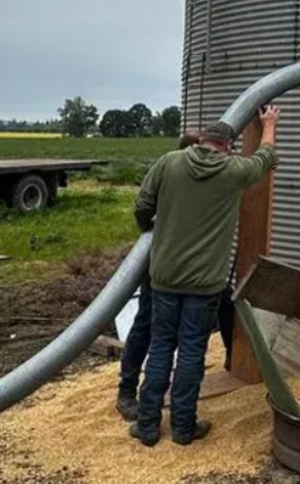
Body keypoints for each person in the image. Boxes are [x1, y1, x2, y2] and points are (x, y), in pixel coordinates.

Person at [130, 107, 280, 447]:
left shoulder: (169, 162)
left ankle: (148, 426)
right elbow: (265, 157)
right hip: (205, 284)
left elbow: (142, 206)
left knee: (161, 346)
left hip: (165, 277)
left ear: (201, 141)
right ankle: (183, 428)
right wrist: (269, 124)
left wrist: (150, 230)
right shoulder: (232, 171)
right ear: (227, 147)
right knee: (192, 351)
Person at [115, 132, 200, 422]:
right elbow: (142, 209)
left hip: (186, 267)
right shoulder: (171, 175)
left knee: (168, 331)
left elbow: (142, 209)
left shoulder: (202, 180)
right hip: (163, 264)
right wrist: (152, 230)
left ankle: (151, 392)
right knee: (148, 325)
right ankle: (127, 391)